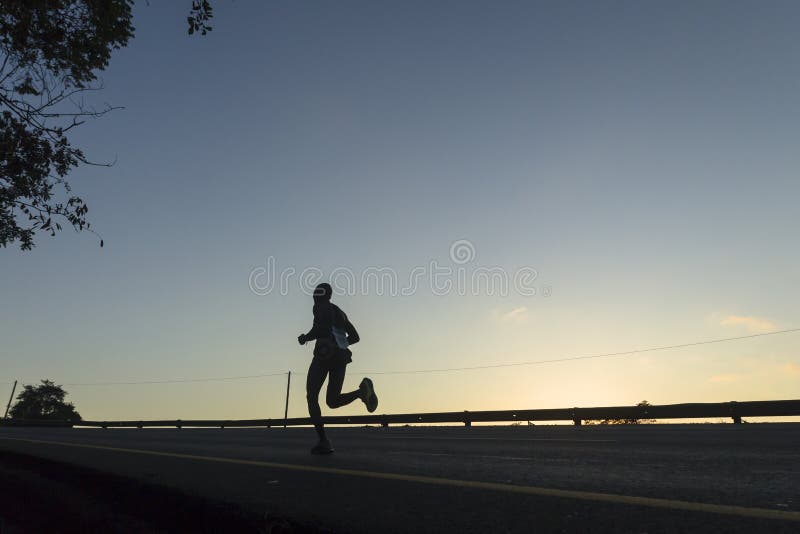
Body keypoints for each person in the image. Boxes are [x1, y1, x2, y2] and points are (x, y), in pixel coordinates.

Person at [298, 283, 378, 454]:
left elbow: (321, 329)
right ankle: (361, 393)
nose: (314, 296)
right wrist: (339, 343)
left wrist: (305, 337)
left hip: (324, 354)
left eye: (316, 293)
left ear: (321, 295)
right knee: (332, 401)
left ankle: (324, 441)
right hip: (341, 356)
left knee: (312, 396)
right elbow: (355, 337)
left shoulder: (319, 307)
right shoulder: (340, 313)